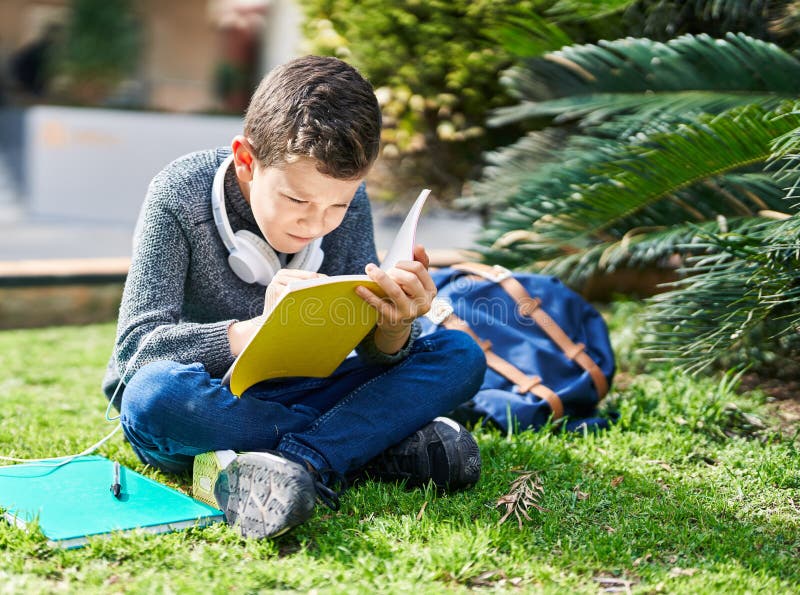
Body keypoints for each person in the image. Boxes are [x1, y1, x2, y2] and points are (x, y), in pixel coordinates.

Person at [102, 56, 486, 539]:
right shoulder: (178, 195)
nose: (317, 223)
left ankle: (306, 460)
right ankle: (368, 443)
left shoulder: (347, 206)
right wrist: (256, 330)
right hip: (215, 401)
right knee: (152, 396)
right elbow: (137, 350)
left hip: (305, 387)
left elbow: (369, 350)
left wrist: (393, 327)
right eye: (298, 201)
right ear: (246, 159)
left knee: (460, 353)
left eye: (338, 205)